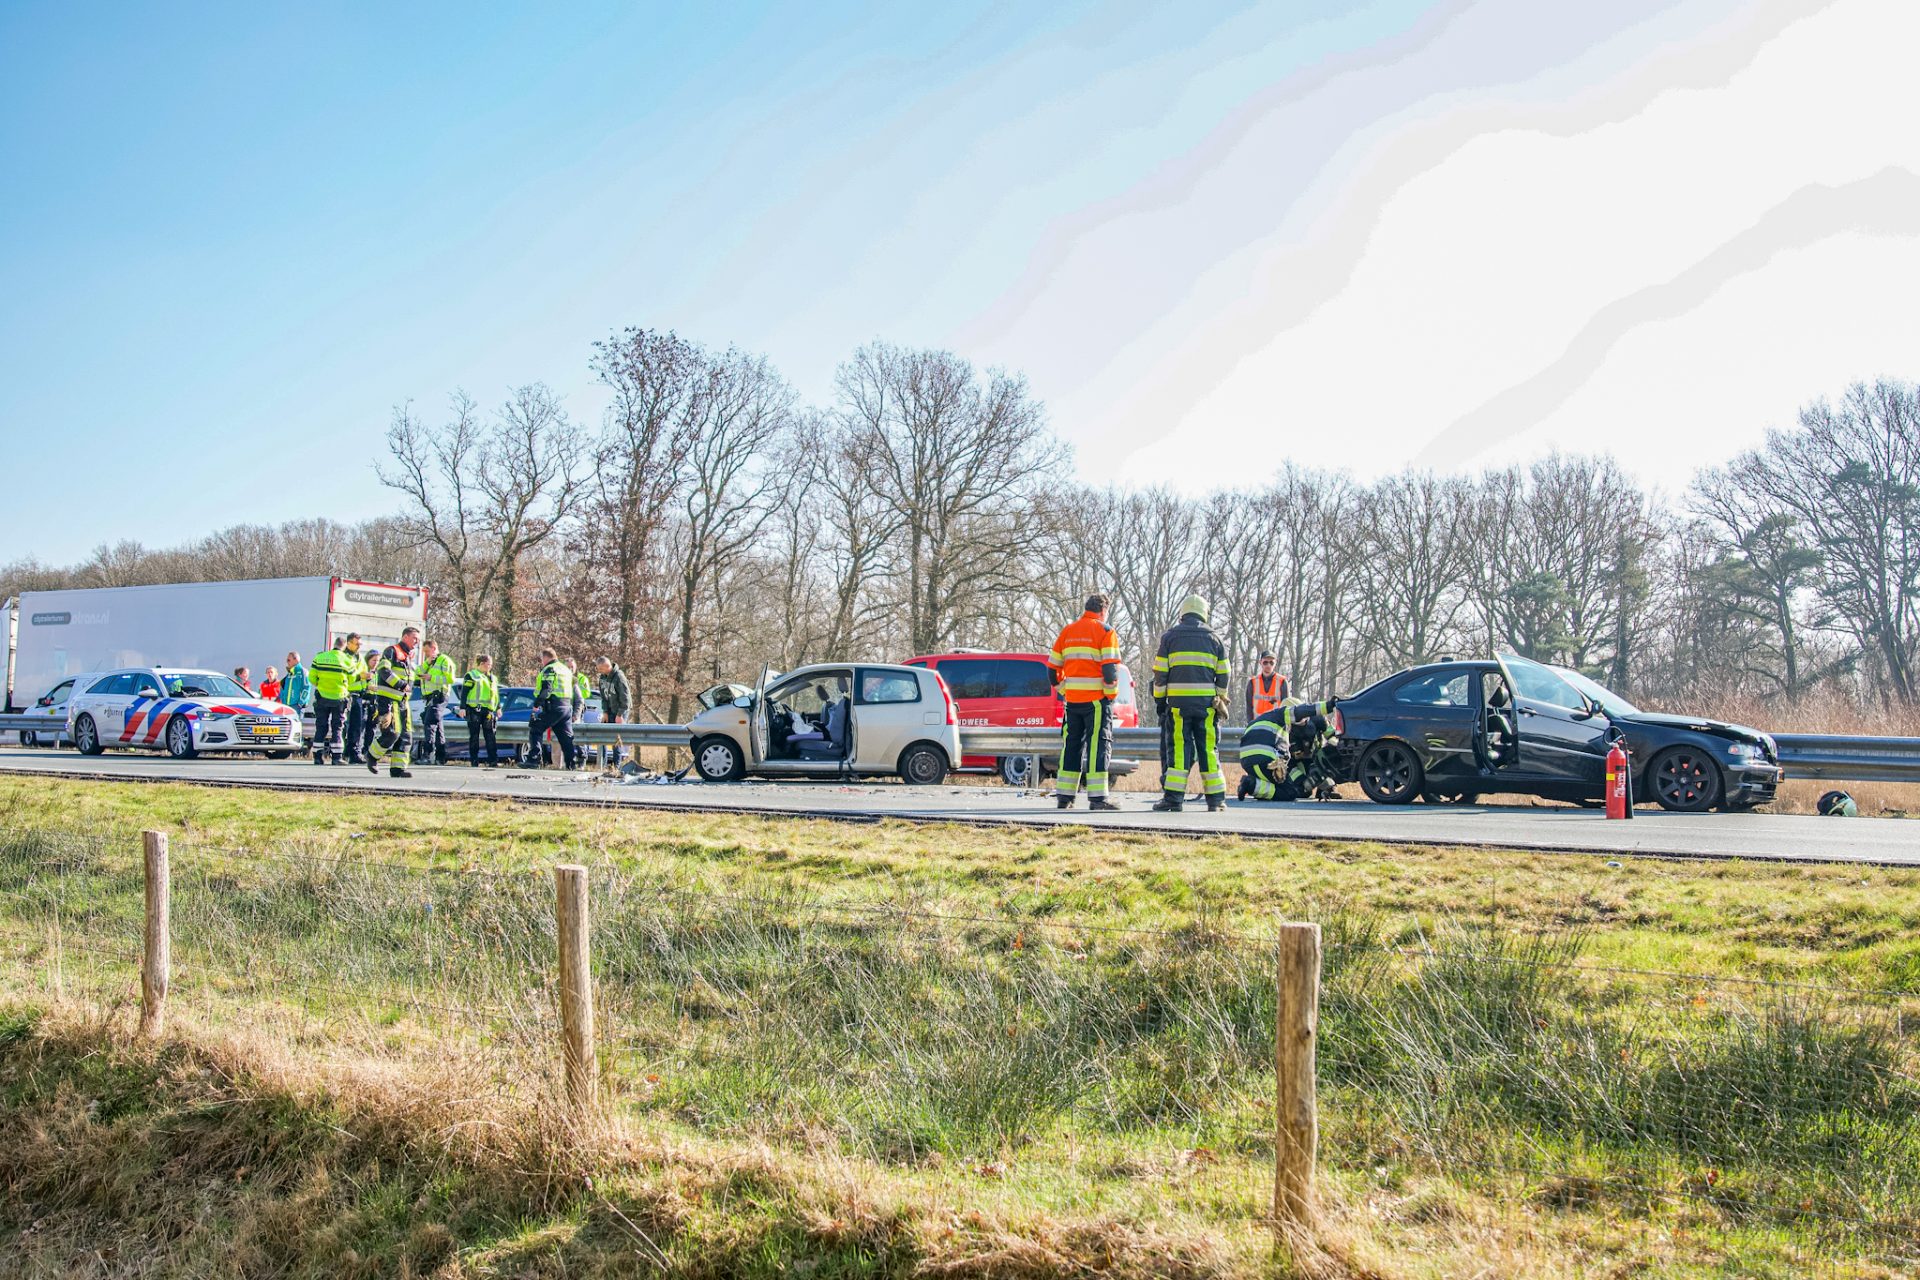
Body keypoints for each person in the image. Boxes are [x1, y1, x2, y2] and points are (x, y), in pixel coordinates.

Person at [1150, 594, 1231, 812]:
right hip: (1206, 707)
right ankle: (1216, 801)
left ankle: (1174, 799)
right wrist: (1220, 697)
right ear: (1204, 613)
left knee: (1178, 750)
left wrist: (1160, 700)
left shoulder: (1170, 638)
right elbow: (1224, 673)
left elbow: (1160, 674)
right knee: (1208, 750)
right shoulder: (1215, 638)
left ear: (1183, 613)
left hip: (1178, 706)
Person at [1045, 592, 1124, 811]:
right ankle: (1098, 799)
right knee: (1099, 745)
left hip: (1073, 702)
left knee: (1071, 746)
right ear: (1103, 611)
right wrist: (1110, 693)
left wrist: (1066, 690)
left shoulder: (1068, 631)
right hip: (1096, 701)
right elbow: (1110, 671)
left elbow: (1052, 671)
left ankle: (1065, 797)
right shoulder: (1105, 631)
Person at [1236, 697, 1338, 801]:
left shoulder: (1319, 719)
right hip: (1292, 763)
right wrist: (1304, 782)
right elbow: (1286, 759)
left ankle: (1328, 789)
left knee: (1329, 756)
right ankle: (1252, 785)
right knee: (1297, 792)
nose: (1302, 725)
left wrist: (1328, 750)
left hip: (1247, 760)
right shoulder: (1284, 723)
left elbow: (1334, 737)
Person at [366, 626, 419, 779]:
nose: (416, 642)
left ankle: (398, 769)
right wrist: (400, 684)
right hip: (388, 701)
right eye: (414, 638)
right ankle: (371, 755)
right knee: (392, 733)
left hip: (403, 702)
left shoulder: (409, 656)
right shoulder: (392, 651)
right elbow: (383, 670)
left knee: (405, 735)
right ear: (405, 637)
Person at [527, 648, 579, 771]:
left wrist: (536, 705)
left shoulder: (550, 669)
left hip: (553, 706)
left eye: (542, 659)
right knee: (565, 738)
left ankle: (534, 759)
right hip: (566, 707)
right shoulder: (565, 670)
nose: (541, 662)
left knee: (535, 728)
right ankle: (571, 764)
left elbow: (547, 689)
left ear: (546, 657)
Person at [307, 638, 353, 765]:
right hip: (339, 698)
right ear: (344, 646)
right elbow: (352, 679)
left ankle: (317, 757)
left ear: (334, 645)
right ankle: (336, 758)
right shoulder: (347, 661)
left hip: (322, 696)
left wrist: (321, 685)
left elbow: (311, 678)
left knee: (321, 726)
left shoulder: (320, 658)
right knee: (337, 727)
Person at [414, 639, 457, 765]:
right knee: (438, 726)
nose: (426, 654)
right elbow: (417, 673)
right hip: (429, 698)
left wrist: (431, 678)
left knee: (430, 723)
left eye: (427, 651)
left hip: (439, 696)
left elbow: (450, 679)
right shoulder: (429, 662)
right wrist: (427, 662)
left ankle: (428, 755)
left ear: (434, 648)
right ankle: (440, 757)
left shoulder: (444, 660)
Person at [460, 654, 502, 767]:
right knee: (474, 736)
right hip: (474, 710)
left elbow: (495, 695)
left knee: (490, 736)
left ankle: (493, 761)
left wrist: (498, 708)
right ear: (482, 664)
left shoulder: (493, 678)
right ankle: (474, 761)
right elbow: (464, 693)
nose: (490, 666)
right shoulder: (471, 675)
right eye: (489, 664)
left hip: (488, 711)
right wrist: (462, 707)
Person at [341, 634, 372, 763]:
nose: (359, 646)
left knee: (357, 725)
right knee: (346, 726)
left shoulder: (359, 657)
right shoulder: (344, 657)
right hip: (348, 694)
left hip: (359, 694)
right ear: (348, 644)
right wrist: (360, 677)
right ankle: (347, 752)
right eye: (356, 644)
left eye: (360, 644)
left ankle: (353, 752)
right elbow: (344, 675)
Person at [596, 656, 632, 765]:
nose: (599, 671)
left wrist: (620, 715)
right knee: (605, 737)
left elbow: (626, 699)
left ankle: (616, 765)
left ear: (607, 666)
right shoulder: (602, 678)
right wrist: (605, 712)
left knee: (617, 738)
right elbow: (604, 697)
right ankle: (604, 764)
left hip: (621, 710)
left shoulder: (619, 677)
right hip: (610, 710)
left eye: (601, 669)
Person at [1246, 653, 1288, 721]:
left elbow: (1286, 707)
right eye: (1265, 662)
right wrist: (1250, 724)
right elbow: (1249, 707)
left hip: (1276, 725)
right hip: (1257, 724)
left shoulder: (1282, 681)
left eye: (1271, 663)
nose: (1268, 665)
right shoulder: (1252, 682)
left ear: (1275, 663)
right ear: (1260, 662)